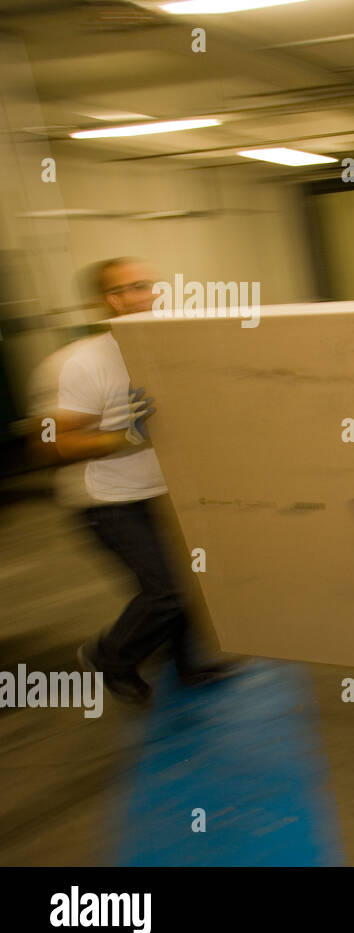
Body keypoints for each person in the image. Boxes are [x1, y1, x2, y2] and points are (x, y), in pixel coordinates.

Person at [27, 257, 234, 706]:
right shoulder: (77, 364)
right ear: (107, 301)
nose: (142, 296)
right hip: (107, 501)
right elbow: (49, 443)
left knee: (191, 581)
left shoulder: (160, 352)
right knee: (167, 590)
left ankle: (187, 665)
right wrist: (123, 438)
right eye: (128, 288)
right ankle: (108, 657)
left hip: (161, 491)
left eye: (146, 285)